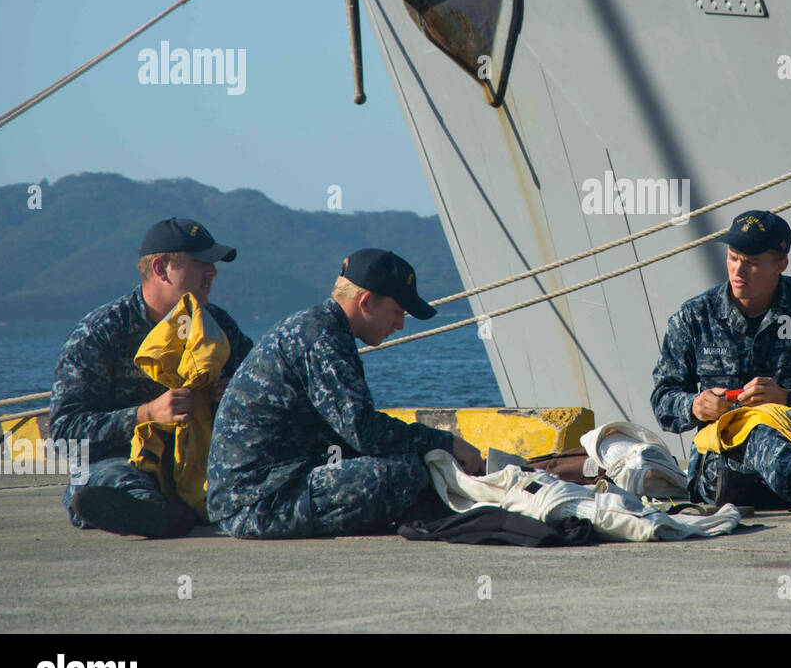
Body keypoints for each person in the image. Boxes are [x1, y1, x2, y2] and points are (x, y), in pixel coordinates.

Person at [207, 248, 484, 539]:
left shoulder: (320, 327)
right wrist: (447, 443)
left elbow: (350, 433)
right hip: (259, 503)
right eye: (397, 312)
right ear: (366, 302)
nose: (400, 324)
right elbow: (363, 431)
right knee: (406, 473)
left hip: (255, 493)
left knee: (413, 464)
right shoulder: (321, 338)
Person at [651, 210, 791, 514]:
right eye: (732, 257)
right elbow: (664, 396)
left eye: (752, 263)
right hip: (722, 463)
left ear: (780, 265)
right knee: (755, 433)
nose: (738, 270)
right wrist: (695, 406)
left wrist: (789, 398)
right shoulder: (695, 317)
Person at [51, 217, 253, 537]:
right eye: (202, 262)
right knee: (114, 480)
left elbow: (261, 396)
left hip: (200, 463)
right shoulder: (103, 332)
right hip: (126, 463)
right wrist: (146, 414)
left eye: (213, 264)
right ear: (160, 269)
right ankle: (153, 512)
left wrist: (232, 396)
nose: (213, 272)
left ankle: (174, 510)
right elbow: (65, 434)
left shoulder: (219, 328)